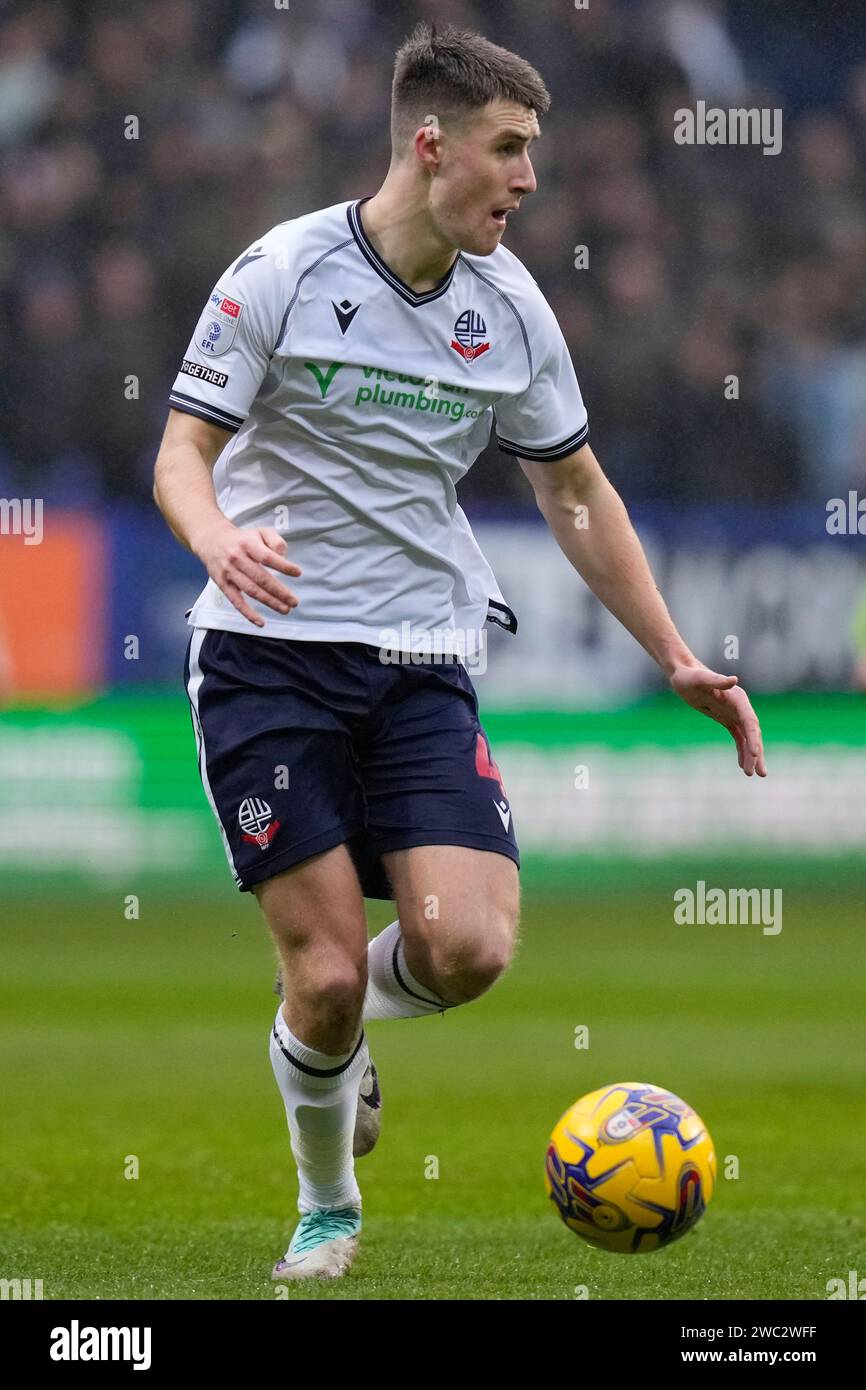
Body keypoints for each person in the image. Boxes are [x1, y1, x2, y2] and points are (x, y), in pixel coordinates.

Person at [152, 21, 766, 1283]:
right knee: (323, 977)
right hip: (268, 655)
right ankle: (328, 1204)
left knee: (465, 951)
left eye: (530, 150)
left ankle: (320, 1039)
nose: (528, 179)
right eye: (508, 148)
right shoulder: (278, 272)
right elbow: (179, 451)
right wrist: (213, 537)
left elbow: (576, 490)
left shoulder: (510, 307)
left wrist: (671, 655)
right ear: (431, 146)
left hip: (423, 654)